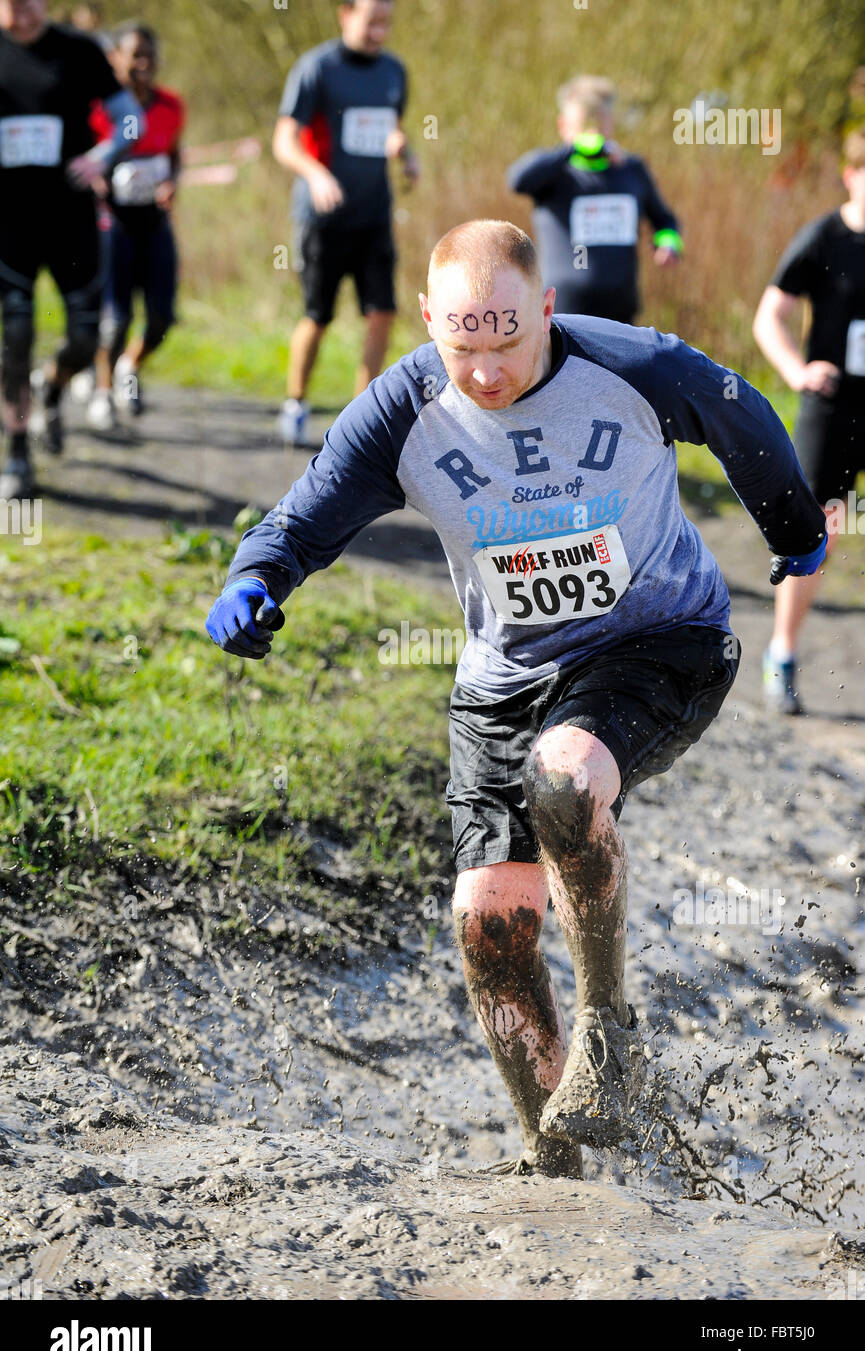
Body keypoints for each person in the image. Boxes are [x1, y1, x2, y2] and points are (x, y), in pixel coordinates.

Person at [206, 221, 826, 1177]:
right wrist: (255, 580)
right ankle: (556, 1162)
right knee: (486, 917)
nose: (486, 371)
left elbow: (739, 417)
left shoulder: (635, 367)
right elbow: (303, 518)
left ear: (545, 308)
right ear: (426, 321)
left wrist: (791, 526)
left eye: (506, 341)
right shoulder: (400, 410)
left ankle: (609, 1031)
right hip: (505, 677)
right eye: (462, 345)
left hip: (658, 639)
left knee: (565, 779)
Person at [0, 0, 142, 500]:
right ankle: (17, 451)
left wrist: (102, 155)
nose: (26, 13)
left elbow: (130, 121)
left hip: (71, 221)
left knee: (87, 339)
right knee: (14, 337)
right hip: (10, 225)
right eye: (14, 5)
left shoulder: (79, 51)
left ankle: (51, 388)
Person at [753, 126, 865, 715]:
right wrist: (797, 372)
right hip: (833, 407)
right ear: (852, 174)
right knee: (819, 531)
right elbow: (769, 315)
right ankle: (783, 655)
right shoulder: (825, 237)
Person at [272, 0, 418, 446]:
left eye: (386, 22)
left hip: (374, 215)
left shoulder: (394, 71)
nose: (379, 31)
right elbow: (283, 140)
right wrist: (316, 175)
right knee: (318, 315)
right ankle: (295, 403)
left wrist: (406, 154)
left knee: (383, 311)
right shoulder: (316, 68)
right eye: (372, 20)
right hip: (324, 218)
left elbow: (389, 129)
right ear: (345, 14)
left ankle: (361, 414)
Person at [507, 75, 681, 323]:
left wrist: (669, 243)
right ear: (563, 125)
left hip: (620, 309)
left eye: (599, 124)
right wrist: (572, 149)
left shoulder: (631, 170)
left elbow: (664, 220)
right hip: (562, 312)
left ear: (610, 124)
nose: (593, 132)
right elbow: (517, 180)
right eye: (583, 125)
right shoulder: (554, 173)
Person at [85, 23, 184, 430]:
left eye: (149, 54)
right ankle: (103, 392)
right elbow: (83, 156)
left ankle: (130, 363)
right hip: (113, 223)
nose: (143, 63)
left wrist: (171, 180)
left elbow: (175, 154)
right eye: (134, 55)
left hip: (154, 222)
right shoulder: (99, 108)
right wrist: (97, 177)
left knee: (162, 317)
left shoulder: (171, 106)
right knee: (116, 318)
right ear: (116, 60)